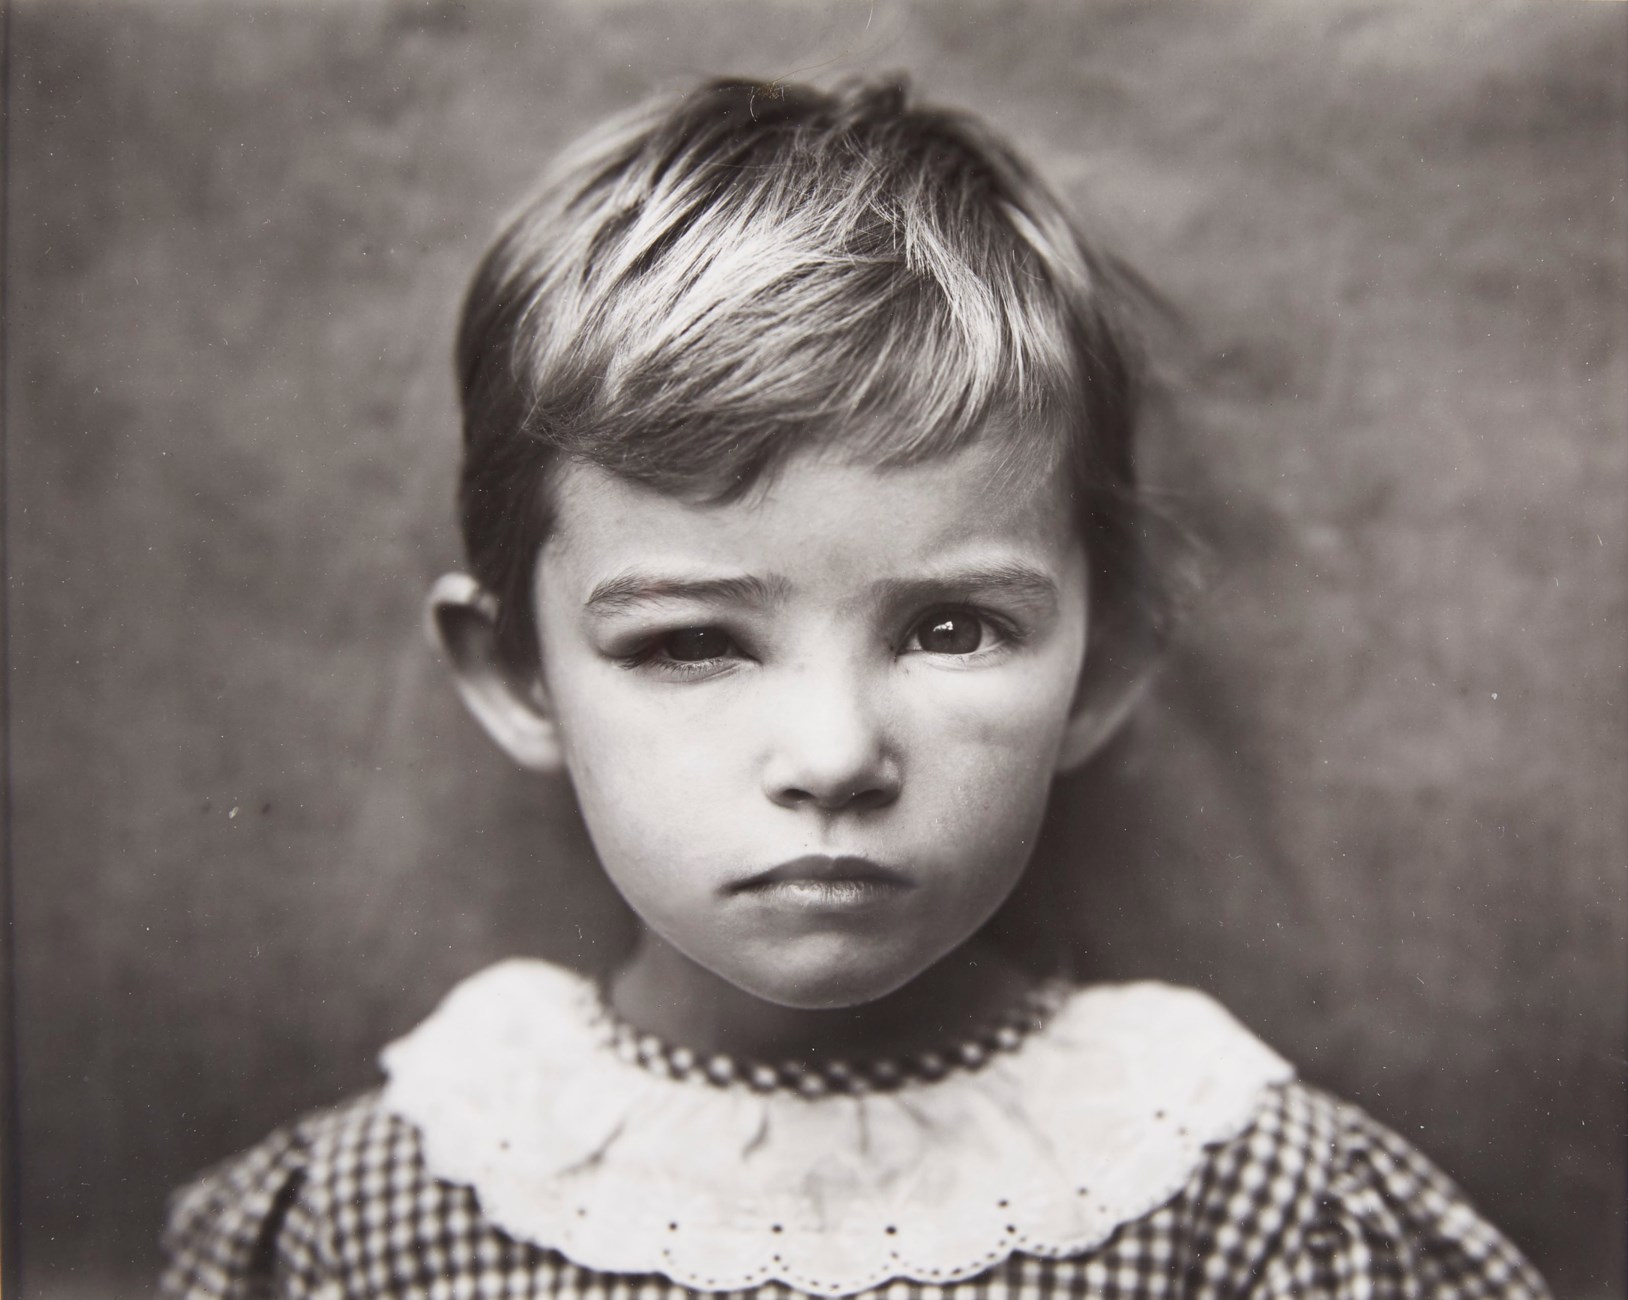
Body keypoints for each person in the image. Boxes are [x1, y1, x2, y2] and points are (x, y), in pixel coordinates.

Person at [159, 77, 1549, 1299]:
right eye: (687, 641)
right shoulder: (370, 1222)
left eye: (950, 627)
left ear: (1107, 665)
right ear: (516, 673)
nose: (833, 756)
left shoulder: (1250, 1204)